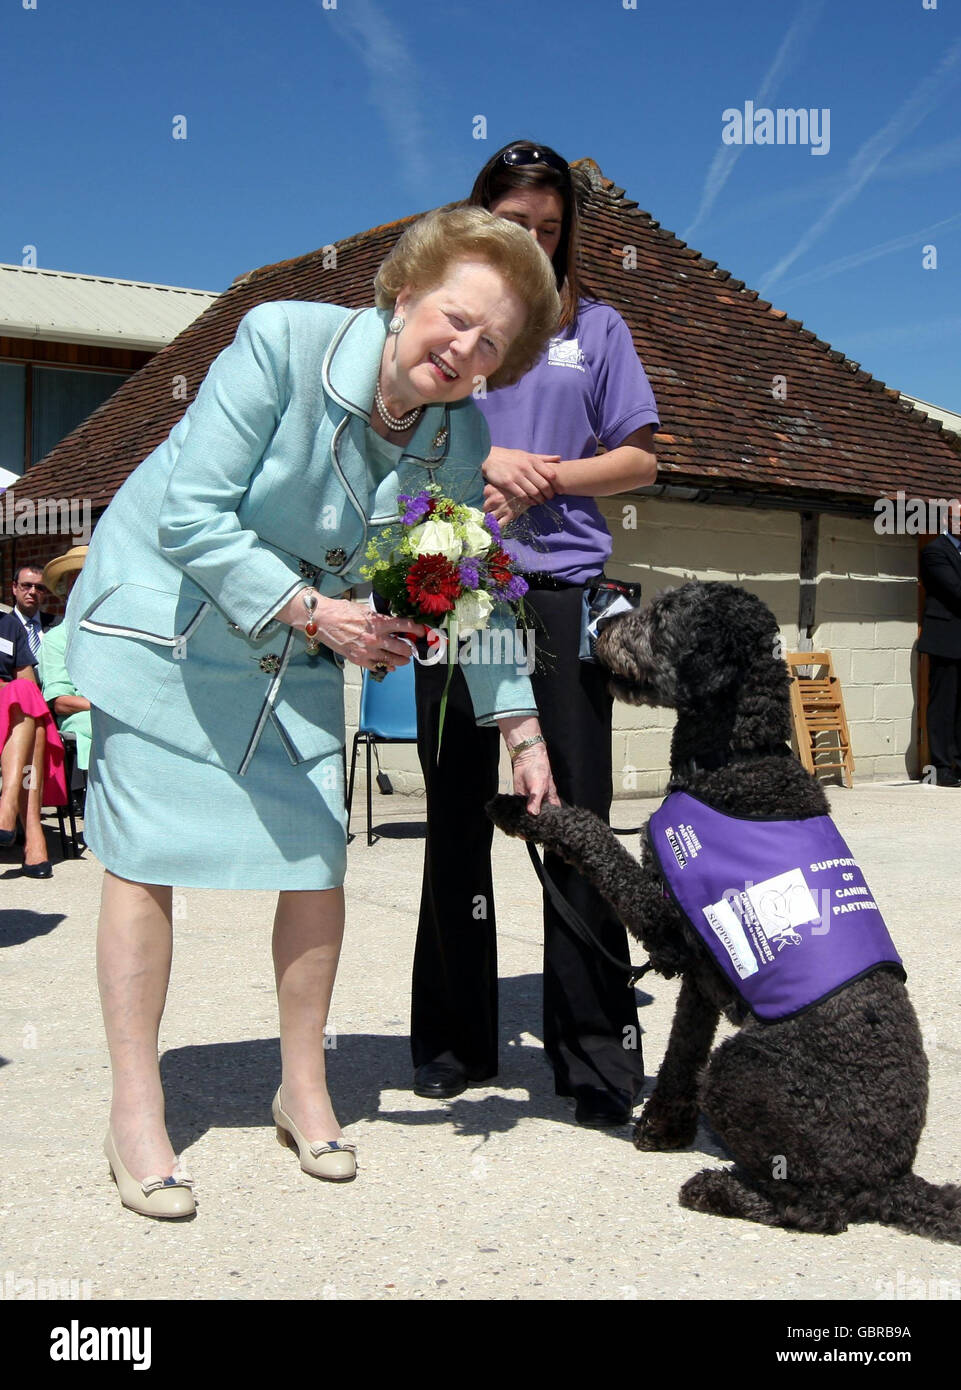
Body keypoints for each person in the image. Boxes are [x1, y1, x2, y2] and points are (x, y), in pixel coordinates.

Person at [63, 207, 561, 1220]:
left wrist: (521, 727)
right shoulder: (281, 340)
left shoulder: (457, 433)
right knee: (144, 851)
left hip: (295, 635)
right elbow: (190, 511)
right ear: (405, 292)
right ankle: (136, 1105)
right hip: (165, 613)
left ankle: (302, 1086)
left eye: (490, 344)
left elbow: (465, 576)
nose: (462, 349)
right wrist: (317, 612)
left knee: (313, 858)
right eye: (454, 318)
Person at [411, 141, 659, 1127]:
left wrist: (549, 474)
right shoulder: (443, 332)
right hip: (453, 586)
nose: (531, 241)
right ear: (479, 223)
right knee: (458, 825)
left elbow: (640, 457)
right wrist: (490, 457)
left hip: (557, 592)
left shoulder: (595, 328)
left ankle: (595, 1051)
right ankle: (452, 1041)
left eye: (548, 230)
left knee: (578, 825)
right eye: (513, 224)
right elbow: (405, 448)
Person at [0, 604, 66, 878]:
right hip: (12, 715)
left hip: (9, 714)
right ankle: (33, 837)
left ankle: (8, 804)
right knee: (36, 727)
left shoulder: (8, 625)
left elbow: (26, 681)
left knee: (26, 696)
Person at [39, 546, 93, 773]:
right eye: (76, 581)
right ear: (66, 590)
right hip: (83, 717)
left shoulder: (118, 635)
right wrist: (105, 708)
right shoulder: (56, 639)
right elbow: (60, 701)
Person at [918, 521, 961, 786]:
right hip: (946, 639)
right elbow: (955, 590)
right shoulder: (935, 550)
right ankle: (942, 767)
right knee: (944, 704)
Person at [9, 565, 53, 656]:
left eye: (39, 587)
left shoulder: (58, 625)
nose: (33, 592)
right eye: (26, 585)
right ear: (14, 588)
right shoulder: (3, 626)